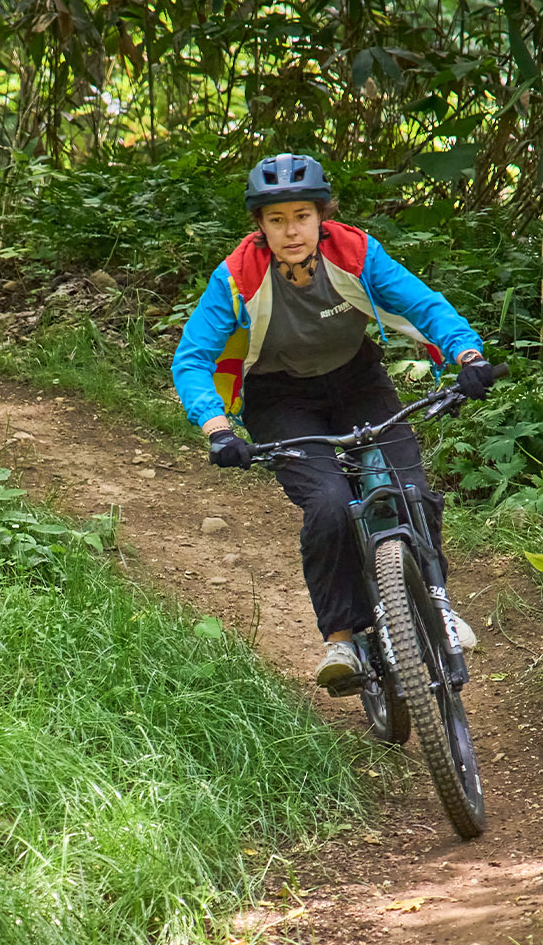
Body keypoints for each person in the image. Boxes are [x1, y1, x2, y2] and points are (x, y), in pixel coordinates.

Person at [170, 153, 496, 694]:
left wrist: (467, 356)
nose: (290, 230)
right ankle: (341, 638)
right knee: (327, 505)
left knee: (408, 488)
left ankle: (437, 607)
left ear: (321, 216)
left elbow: (424, 305)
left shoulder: (357, 253)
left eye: (301, 215)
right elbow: (193, 358)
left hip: (356, 381)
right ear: (260, 227)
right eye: (276, 220)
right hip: (279, 398)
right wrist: (217, 428)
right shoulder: (236, 277)